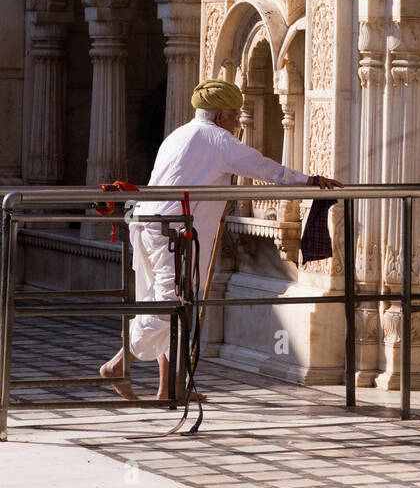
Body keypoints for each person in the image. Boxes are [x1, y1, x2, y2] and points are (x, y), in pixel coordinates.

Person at [100, 78, 338, 400]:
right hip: (170, 230)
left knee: (167, 300)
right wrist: (308, 181)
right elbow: (263, 168)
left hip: (149, 223)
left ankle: (170, 387)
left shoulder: (180, 134)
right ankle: (119, 363)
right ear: (221, 115)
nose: (238, 121)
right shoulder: (217, 139)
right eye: (235, 114)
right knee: (172, 303)